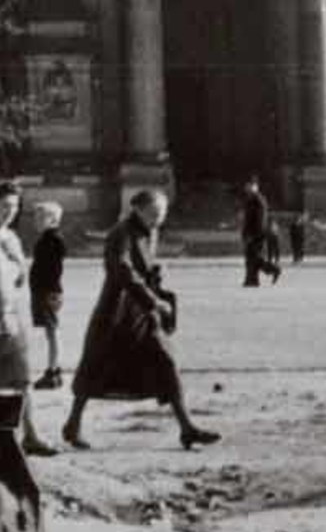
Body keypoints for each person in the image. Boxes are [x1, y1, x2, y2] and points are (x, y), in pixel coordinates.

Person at [63, 189, 220, 452]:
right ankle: (73, 424)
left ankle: (187, 428)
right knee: (95, 367)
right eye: (154, 212)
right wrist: (153, 300)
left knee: (165, 360)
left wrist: (155, 277)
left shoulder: (148, 231)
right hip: (117, 311)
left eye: (163, 212)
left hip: (141, 311)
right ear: (138, 209)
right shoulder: (121, 233)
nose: (159, 218)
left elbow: (140, 268)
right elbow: (121, 269)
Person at [0, 179, 54, 460]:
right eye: (4, 206)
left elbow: (19, 277)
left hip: (12, 316)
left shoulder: (11, 238)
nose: (9, 212)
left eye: (14, 207)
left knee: (22, 378)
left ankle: (31, 434)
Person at [28, 199, 68, 391]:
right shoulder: (48, 238)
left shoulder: (53, 240)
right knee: (51, 331)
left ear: (53, 219)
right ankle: (54, 369)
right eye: (35, 217)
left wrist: (53, 292)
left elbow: (55, 269)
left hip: (48, 291)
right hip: (45, 290)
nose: (35, 221)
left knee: (52, 331)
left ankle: (53, 371)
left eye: (40, 218)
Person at [239, 178, 273, 289]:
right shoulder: (250, 199)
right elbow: (247, 219)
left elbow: (259, 219)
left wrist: (253, 234)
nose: (246, 188)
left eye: (249, 186)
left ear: (254, 187)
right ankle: (251, 280)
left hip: (256, 233)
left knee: (253, 257)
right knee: (251, 257)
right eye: (246, 186)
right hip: (252, 233)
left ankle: (271, 270)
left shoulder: (257, 200)